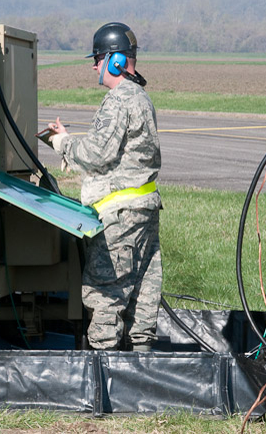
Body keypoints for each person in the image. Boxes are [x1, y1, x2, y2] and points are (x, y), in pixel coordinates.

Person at [47, 22, 162, 351]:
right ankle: (143, 372)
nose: (94, 65)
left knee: (105, 294)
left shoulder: (119, 100)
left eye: (98, 58)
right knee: (142, 295)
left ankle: (103, 382)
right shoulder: (139, 97)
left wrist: (62, 143)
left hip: (118, 217)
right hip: (142, 211)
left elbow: (97, 154)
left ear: (115, 61)